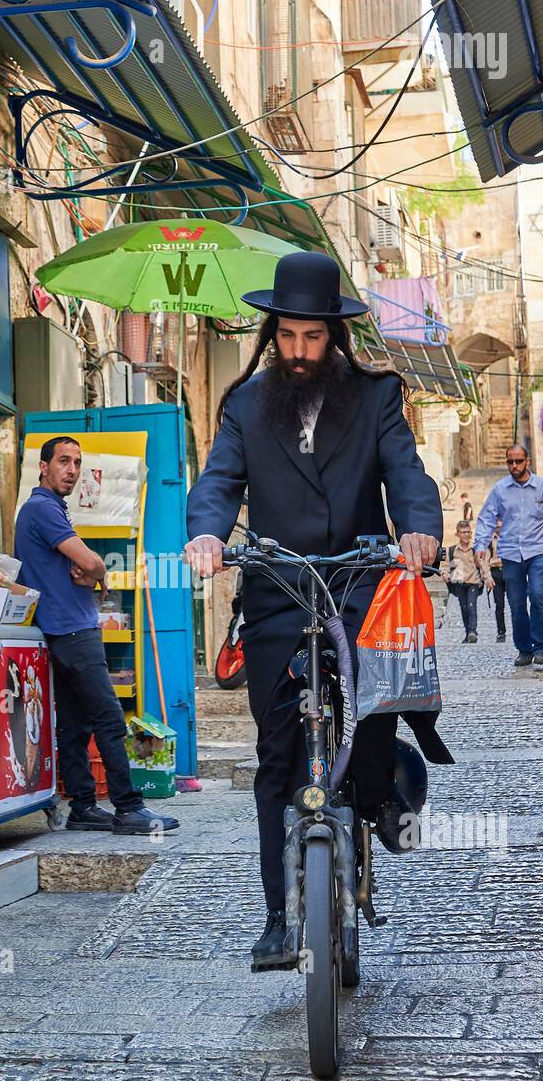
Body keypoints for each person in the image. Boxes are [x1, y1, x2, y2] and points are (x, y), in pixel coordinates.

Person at [183, 250, 447, 972]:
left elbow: (405, 472)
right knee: (275, 756)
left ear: (334, 336)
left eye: (312, 338)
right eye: (288, 337)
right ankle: (277, 914)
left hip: (360, 580)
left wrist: (417, 529)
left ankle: (381, 791)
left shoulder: (376, 395)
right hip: (277, 586)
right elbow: (217, 483)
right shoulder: (244, 404)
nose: (299, 353)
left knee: (376, 707)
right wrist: (206, 532)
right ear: (273, 334)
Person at [14, 436, 178, 836]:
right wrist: (98, 570)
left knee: (75, 722)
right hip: (71, 629)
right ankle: (128, 808)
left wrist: (91, 574)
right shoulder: (41, 508)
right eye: (63, 462)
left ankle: (84, 806)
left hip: (60, 628)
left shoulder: (49, 509)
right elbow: (88, 561)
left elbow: (79, 568)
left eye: (77, 462)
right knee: (107, 718)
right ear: (43, 467)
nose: (71, 469)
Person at [473, 444, 543, 670]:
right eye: (510, 462)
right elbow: (487, 518)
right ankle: (524, 649)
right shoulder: (500, 490)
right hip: (511, 553)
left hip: (538, 551)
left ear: (527, 462)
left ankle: (541, 647)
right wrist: (481, 543)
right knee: (516, 603)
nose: (514, 466)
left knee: (538, 596)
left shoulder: (542, 487)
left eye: (518, 461)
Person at [445, 520, 488, 643]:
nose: (466, 535)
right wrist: (445, 574)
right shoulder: (452, 550)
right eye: (463, 532)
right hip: (459, 583)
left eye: (468, 532)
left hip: (473, 582)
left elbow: (482, 564)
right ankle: (467, 632)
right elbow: (445, 565)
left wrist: (485, 576)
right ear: (457, 534)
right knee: (464, 608)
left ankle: (473, 631)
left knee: (471, 606)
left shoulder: (475, 550)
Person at [486, 518, 508, 643]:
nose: (499, 524)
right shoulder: (489, 540)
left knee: (516, 604)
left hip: (509, 571)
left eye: (501, 521)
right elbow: (485, 560)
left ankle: (519, 630)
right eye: (497, 522)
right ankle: (501, 632)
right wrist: (488, 576)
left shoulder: (511, 536)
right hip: (495, 573)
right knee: (499, 605)